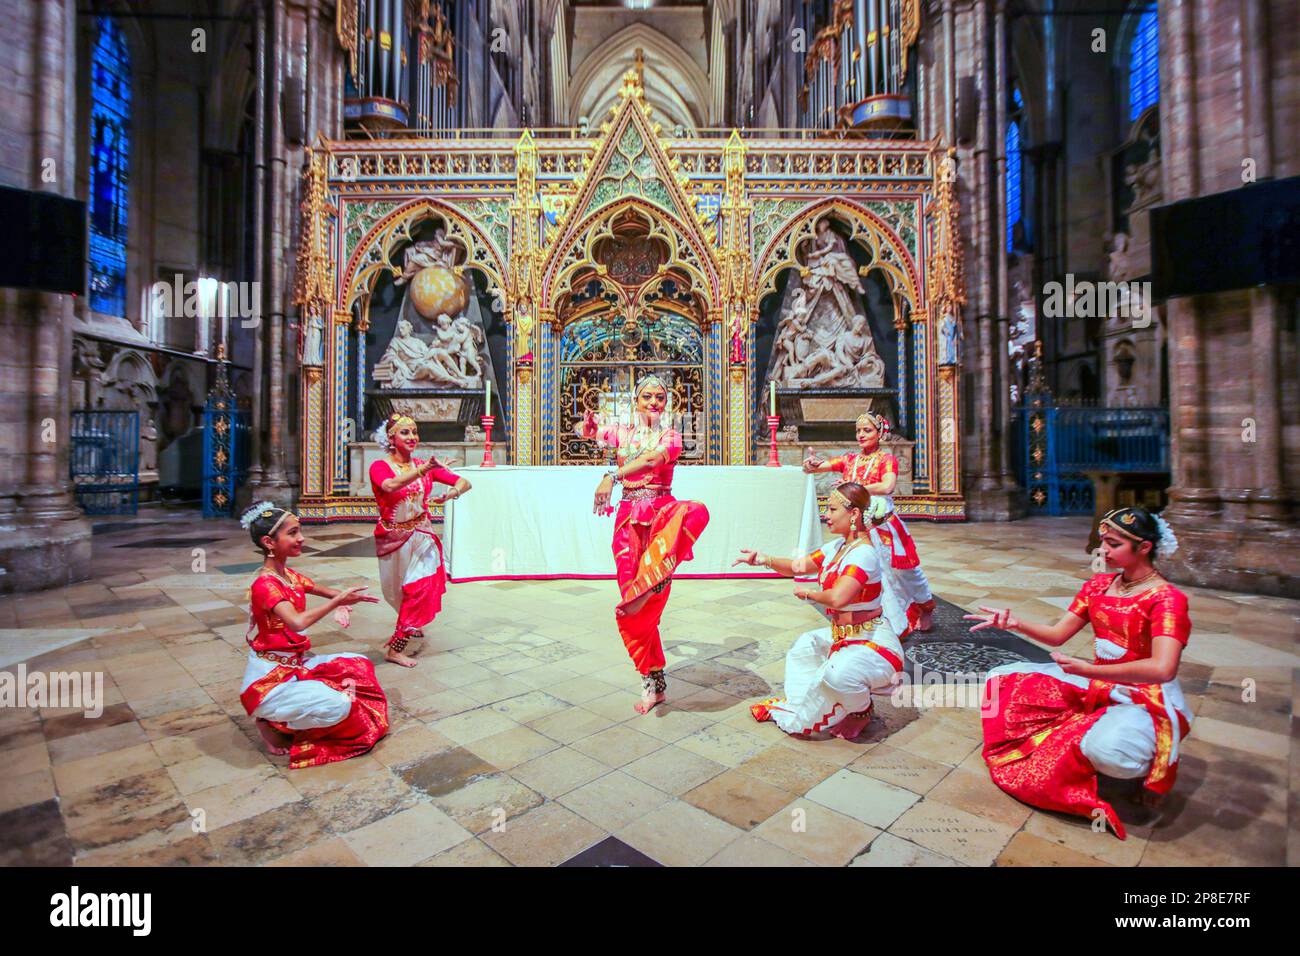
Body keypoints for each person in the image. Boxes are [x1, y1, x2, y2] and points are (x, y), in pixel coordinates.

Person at [966, 507, 1192, 839]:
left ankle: (1148, 758)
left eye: (1113, 544)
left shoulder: (1167, 600)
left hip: (1146, 697)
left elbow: (1163, 667)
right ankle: (1086, 733)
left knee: (1110, 751)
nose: (1103, 551)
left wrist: (1089, 669)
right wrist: (1014, 622)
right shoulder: (1098, 586)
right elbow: (1058, 634)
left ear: (1144, 547)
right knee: (1002, 679)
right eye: (1103, 541)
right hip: (1098, 681)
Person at [578, 374, 710, 714]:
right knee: (631, 597)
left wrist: (612, 475)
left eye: (660, 398)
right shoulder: (622, 433)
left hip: (660, 519)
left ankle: (652, 681)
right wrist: (589, 423)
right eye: (647, 397)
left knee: (648, 596)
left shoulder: (672, 436)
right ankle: (652, 678)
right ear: (636, 402)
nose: (653, 402)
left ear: (666, 404)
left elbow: (652, 461)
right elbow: (590, 433)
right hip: (627, 522)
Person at [736, 482, 910, 739]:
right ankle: (803, 704)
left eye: (831, 509)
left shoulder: (864, 554)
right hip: (845, 636)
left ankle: (861, 710)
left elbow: (839, 598)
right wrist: (765, 559)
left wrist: (809, 594)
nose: (825, 515)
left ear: (853, 514)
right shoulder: (837, 548)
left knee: (838, 675)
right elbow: (798, 566)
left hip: (874, 643)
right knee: (804, 647)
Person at [239, 502, 389, 769]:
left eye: (300, 531)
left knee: (359, 665)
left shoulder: (288, 576)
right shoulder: (265, 585)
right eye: (293, 533)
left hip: (293, 666)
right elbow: (296, 623)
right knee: (339, 706)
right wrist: (336, 602)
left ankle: (283, 718)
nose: (301, 539)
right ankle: (274, 723)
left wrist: (346, 598)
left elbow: (321, 590)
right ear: (268, 542)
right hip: (269, 682)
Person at [802, 410, 936, 630]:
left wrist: (856, 488)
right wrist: (811, 463)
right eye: (858, 431)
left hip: (884, 528)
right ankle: (886, 621)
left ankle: (926, 606)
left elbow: (887, 486)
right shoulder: (850, 460)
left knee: (907, 573)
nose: (861, 435)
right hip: (859, 530)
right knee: (873, 574)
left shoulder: (886, 459)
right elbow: (815, 468)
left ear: (879, 433)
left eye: (867, 430)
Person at [369, 412, 471, 667]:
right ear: (391, 438)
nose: (412, 437)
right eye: (405, 432)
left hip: (422, 534)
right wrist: (424, 470)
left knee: (418, 588)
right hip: (393, 537)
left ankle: (395, 648)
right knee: (396, 593)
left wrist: (452, 492)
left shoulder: (424, 465)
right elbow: (390, 486)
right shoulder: (379, 466)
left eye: (414, 432)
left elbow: (464, 481)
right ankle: (410, 623)